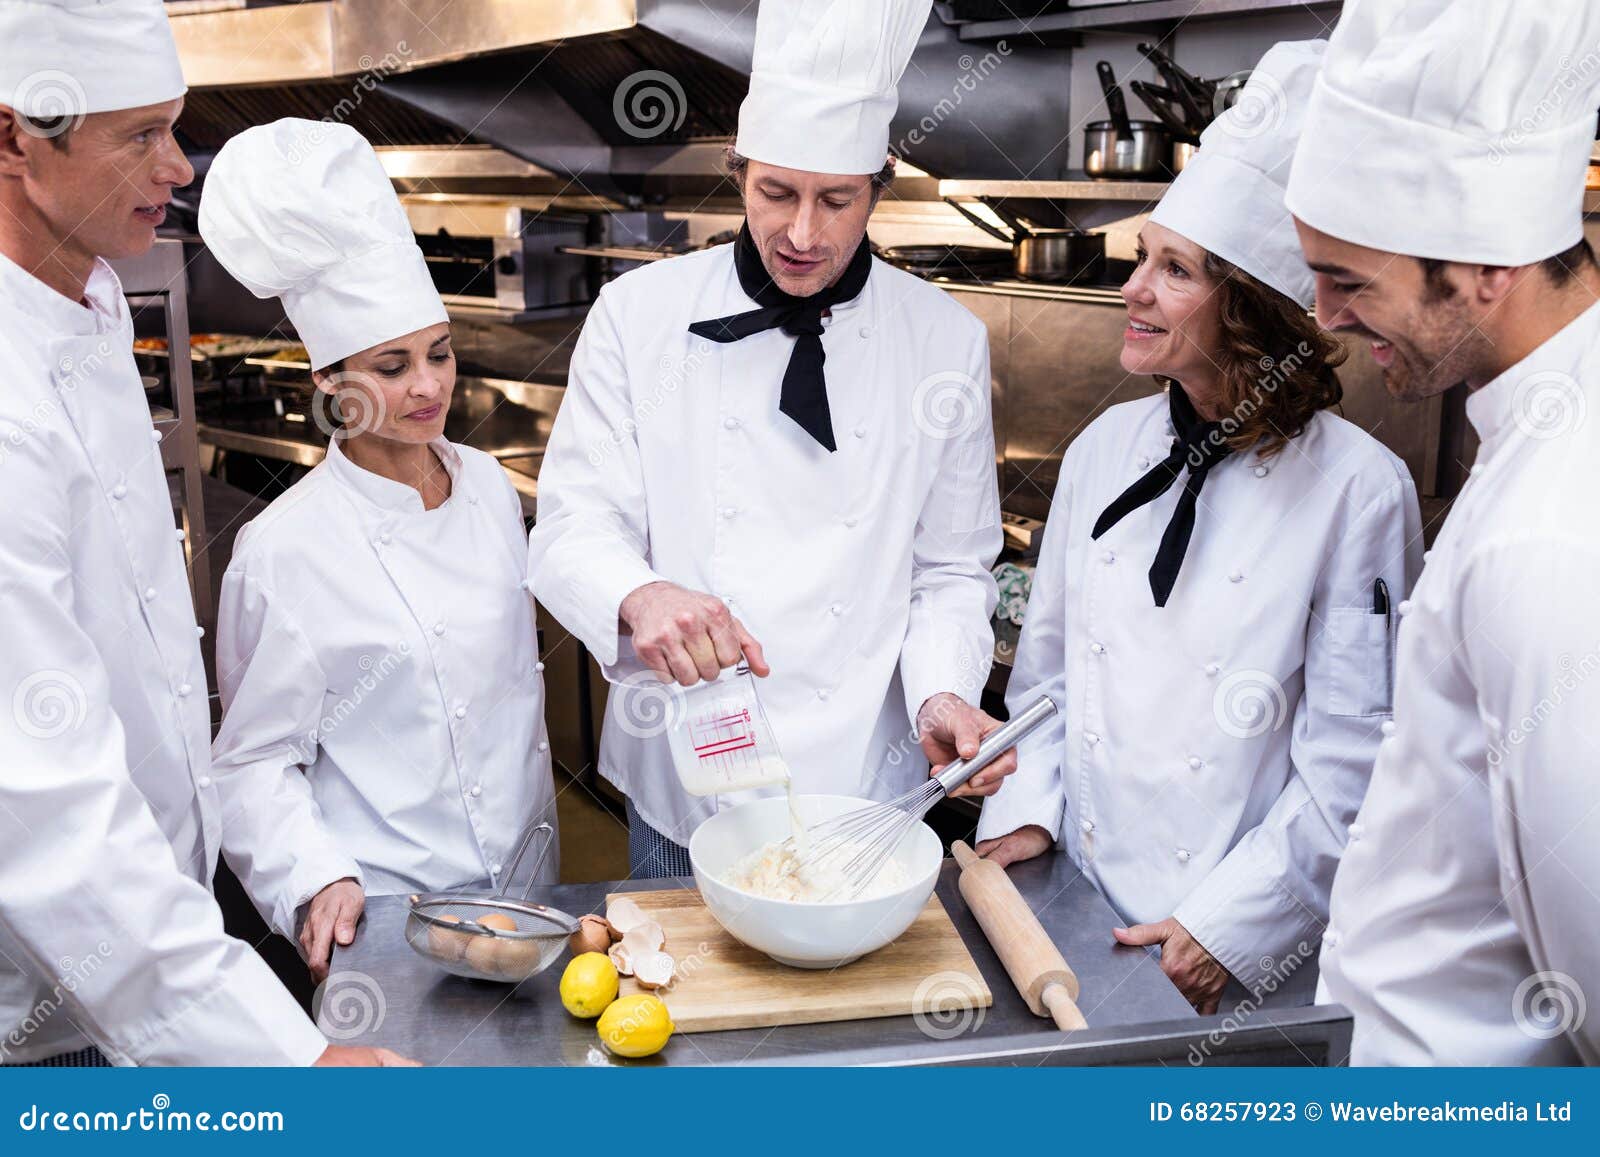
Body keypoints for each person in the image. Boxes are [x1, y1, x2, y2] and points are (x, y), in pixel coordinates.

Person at [976, 41, 1423, 1015]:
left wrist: (1231, 926)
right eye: (1143, 258)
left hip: (1235, 950)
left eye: (1172, 271)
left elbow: (1357, 763)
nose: (1132, 291)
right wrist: (1023, 816)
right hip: (1078, 904)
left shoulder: (1358, 490)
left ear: (1249, 314)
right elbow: (1047, 676)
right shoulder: (1103, 447)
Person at [0, 0, 407, 1065]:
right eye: (140, 135)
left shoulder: (85, 303)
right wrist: (296, 1064)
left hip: (158, 940)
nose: (179, 168)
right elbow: (41, 800)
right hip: (51, 1012)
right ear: (12, 139)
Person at [528, 0, 1015, 876]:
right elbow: (570, 526)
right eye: (776, 192)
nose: (802, 233)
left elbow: (949, 569)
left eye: (836, 200)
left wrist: (944, 689)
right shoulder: (640, 315)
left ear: (881, 182)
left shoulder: (943, 340)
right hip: (687, 785)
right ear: (737, 168)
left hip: (870, 788)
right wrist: (641, 595)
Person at [1286, 0, 1600, 1064]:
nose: (1323, 316)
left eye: (1349, 282)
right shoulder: (1547, 426)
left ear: (1483, 269)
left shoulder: (1545, 536)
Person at [201, 119, 560, 974]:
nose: (430, 385)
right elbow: (251, 764)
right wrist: (315, 879)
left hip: (536, 899)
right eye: (391, 367)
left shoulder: (488, 489)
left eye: (438, 353)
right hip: (394, 917)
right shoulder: (282, 550)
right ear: (329, 381)